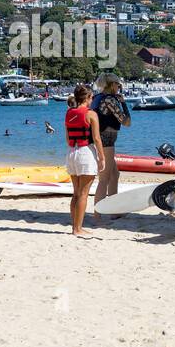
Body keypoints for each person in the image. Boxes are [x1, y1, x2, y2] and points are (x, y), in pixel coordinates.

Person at [64, 84, 104, 237]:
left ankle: (75, 226)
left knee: (76, 193)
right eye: (91, 97)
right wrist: (102, 157)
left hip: (71, 152)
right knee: (83, 194)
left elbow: (67, 137)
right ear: (87, 98)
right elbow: (97, 138)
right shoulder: (91, 114)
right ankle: (77, 229)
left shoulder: (69, 113)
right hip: (85, 153)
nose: (92, 99)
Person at [91, 72, 132, 212]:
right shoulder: (110, 100)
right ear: (112, 85)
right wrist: (124, 104)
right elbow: (126, 122)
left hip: (101, 139)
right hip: (106, 140)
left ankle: (113, 211)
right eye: (118, 84)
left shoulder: (97, 97)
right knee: (104, 178)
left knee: (115, 175)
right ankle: (97, 214)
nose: (119, 87)